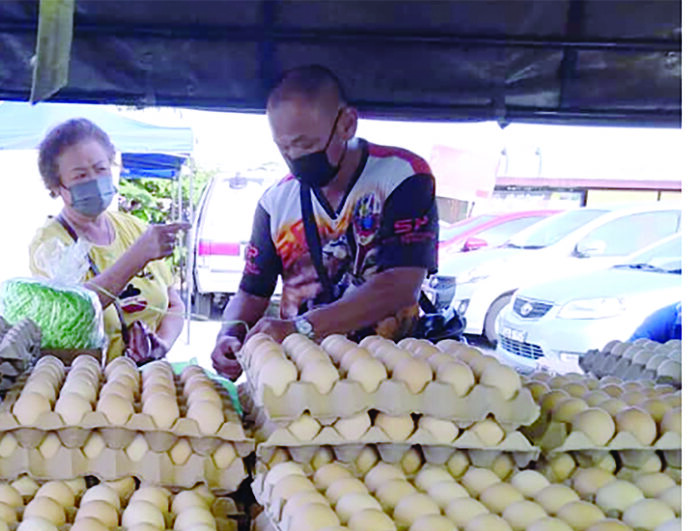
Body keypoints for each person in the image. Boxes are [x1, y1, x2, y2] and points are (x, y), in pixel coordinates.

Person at [211, 65, 439, 380]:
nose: (295, 156)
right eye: (284, 147)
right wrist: (229, 334)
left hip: (392, 375)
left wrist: (302, 327)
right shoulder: (275, 203)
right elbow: (251, 292)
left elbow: (401, 285)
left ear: (347, 124)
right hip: (300, 377)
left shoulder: (402, 176)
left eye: (305, 144)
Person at [29, 118, 188, 362]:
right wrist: (137, 257)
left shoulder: (134, 228)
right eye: (81, 176)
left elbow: (174, 305)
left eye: (101, 169)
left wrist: (162, 344)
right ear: (56, 187)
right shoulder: (50, 242)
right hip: (85, 381)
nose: (94, 181)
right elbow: (70, 315)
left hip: (147, 378)